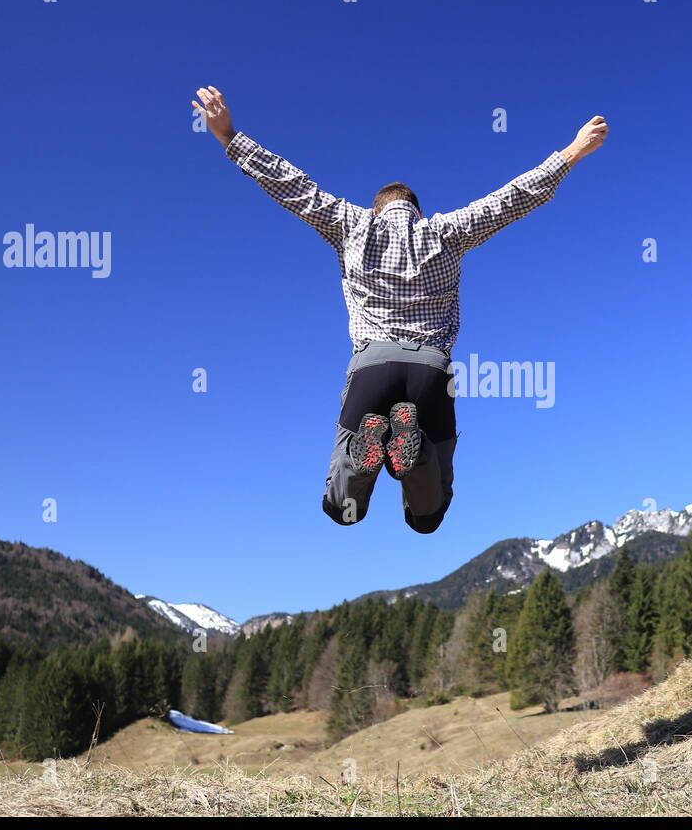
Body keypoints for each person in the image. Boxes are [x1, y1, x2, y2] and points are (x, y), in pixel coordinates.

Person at [192, 86, 607, 532]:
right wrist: (571, 152)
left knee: (340, 509)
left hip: (373, 365)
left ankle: (364, 452)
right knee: (427, 517)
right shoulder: (446, 232)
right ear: (417, 210)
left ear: (379, 209)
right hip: (431, 369)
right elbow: (510, 199)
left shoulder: (351, 224)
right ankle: (415, 450)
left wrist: (229, 136)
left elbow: (293, 186)